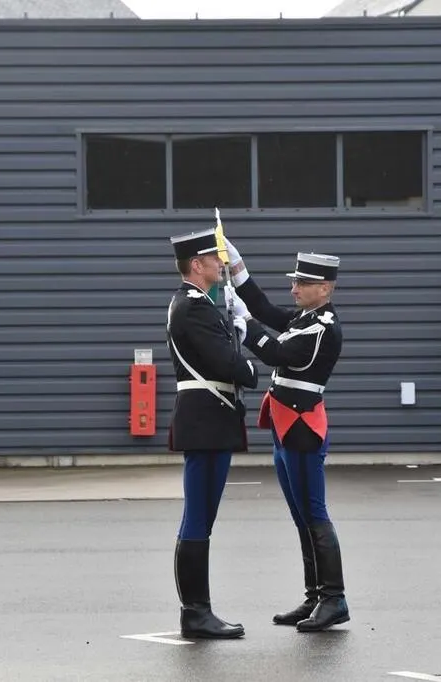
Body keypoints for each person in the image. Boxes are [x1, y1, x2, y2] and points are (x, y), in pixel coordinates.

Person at [224, 241, 350, 633]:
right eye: (295, 281)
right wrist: (238, 270)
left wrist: (245, 328)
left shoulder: (321, 326)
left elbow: (277, 353)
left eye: (303, 283)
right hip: (285, 425)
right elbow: (264, 309)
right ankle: (315, 596)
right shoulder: (304, 317)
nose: (294, 288)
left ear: (325, 288)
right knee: (301, 517)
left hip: (301, 428)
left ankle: (334, 599)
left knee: (314, 514)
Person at [166, 228, 259, 640]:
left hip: (209, 417)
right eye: (215, 259)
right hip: (207, 418)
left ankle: (196, 611)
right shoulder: (194, 307)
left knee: (199, 517)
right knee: (199, 518)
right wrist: (250, 362)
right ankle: (196, 613)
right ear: (196, 265)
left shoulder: (197, 304)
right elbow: (227, 364)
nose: (221, 264)